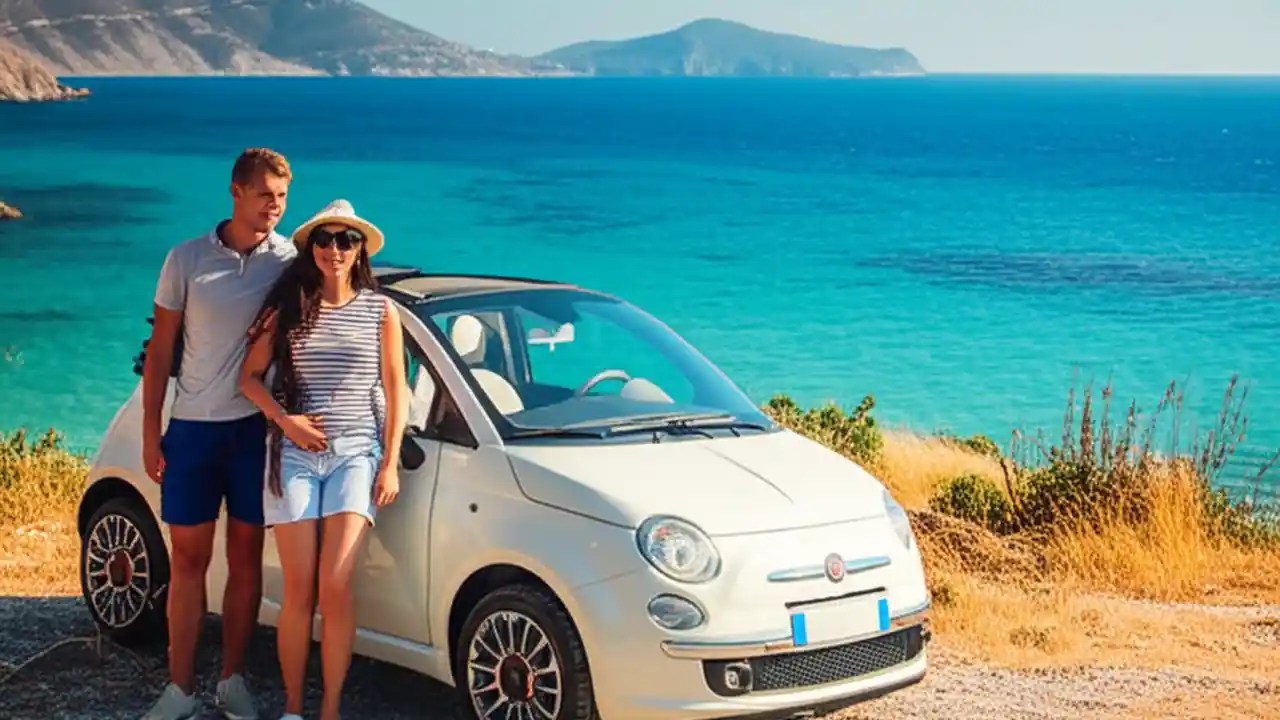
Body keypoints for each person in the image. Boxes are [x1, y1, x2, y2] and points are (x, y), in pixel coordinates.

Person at [141, 148, 297, 720]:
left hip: (255, 431)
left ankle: (232, 681)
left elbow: (341, 287)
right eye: (264, 196)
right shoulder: (185, 259)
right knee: (188, 559)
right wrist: (151, 432)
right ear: (236, 192)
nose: (274, 207)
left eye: (282, 197)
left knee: (246, 555)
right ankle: (179, 689)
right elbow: (161, 352)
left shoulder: (291, 261)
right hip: (193, 430)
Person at [238, 199, 407, 720]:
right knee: (299, 588)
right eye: (325, 239)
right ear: (311, 248)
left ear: (360, 251)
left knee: (334, 585)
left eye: (346, 240)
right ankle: (293, 708)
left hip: (356, 456)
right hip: (294, 456)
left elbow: (396, 389)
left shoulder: (381, 311)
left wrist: (390, 462)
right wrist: (285, 421)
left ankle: (330, 708)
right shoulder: (289, 311)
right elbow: (248, 379)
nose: (335, 249)